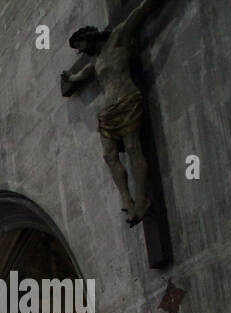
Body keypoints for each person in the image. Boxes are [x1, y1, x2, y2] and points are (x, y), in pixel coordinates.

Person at [60, 0, 156, 225]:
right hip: (108, 110)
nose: (82, 51)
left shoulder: (119, 36)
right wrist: (68, 78)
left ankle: (141, 199)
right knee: (109, 155)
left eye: (82, 45)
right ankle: (127, 198)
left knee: (133, 147)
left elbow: (139, 11)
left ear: (91, 37)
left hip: (127, 99)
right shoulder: (96, 62)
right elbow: (77, 77)